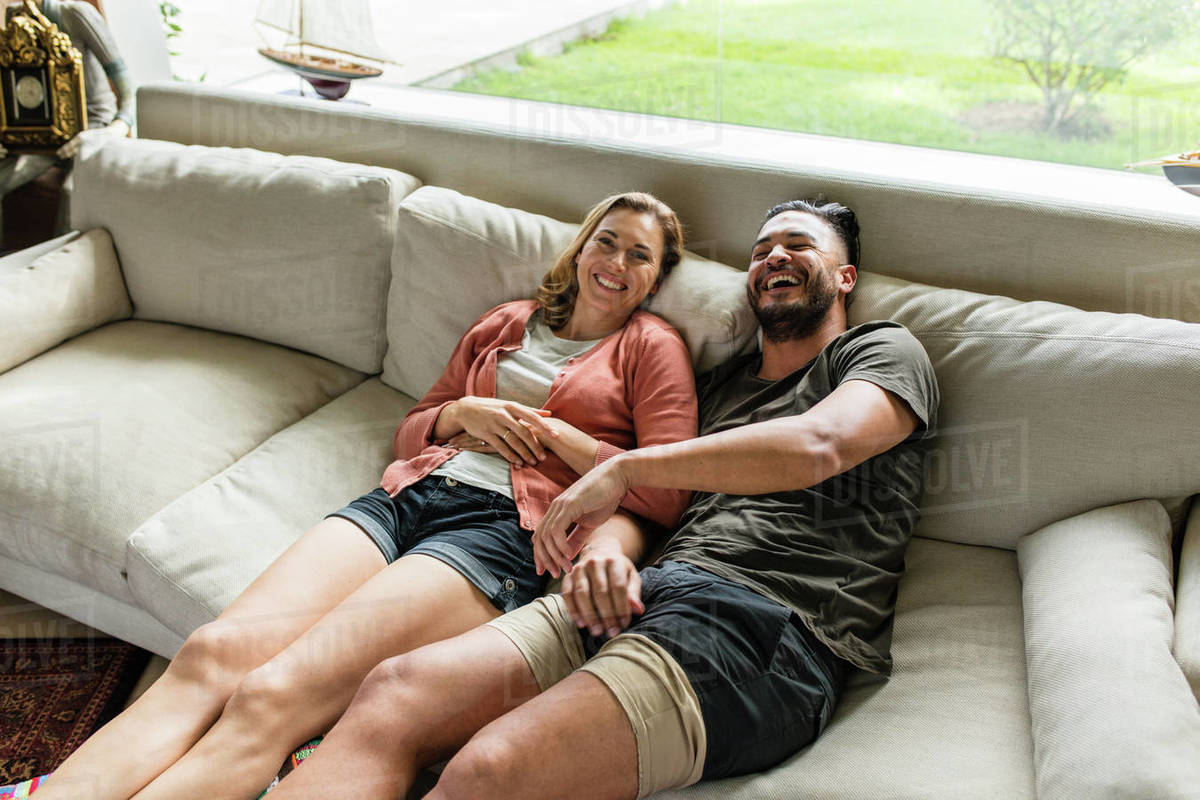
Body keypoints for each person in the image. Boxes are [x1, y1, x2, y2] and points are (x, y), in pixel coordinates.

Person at [24, 192, 699, 800]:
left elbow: (665, 489)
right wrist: (464, 412)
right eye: (606, 240)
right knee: (213, 651)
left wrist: (559, 437)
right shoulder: (507, 321)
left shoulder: (651, 347)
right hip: (407, 498)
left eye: (640, 255)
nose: (615, 260)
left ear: (654, 280)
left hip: (497, 535)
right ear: (582, 247)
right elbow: (408, 435)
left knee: (274, 695)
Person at [263, 197, 940, 800]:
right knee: (392, 695)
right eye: (762, 250)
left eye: (798, 245)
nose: (774, 258)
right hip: (645, 593)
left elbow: (818, 444)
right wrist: (607, 553)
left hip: (767, 626)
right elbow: (659, 501)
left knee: (489, 769)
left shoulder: (881, 352)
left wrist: (620, 469)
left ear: (844, 277)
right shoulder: (721, 388)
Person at [0, 0, 134, 243]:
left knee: (71, 192)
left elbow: (127, 88)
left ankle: (59, 268)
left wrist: (116, 128)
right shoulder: (13, 19)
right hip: (46, 132)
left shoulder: (76, 14)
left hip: (94, 127)